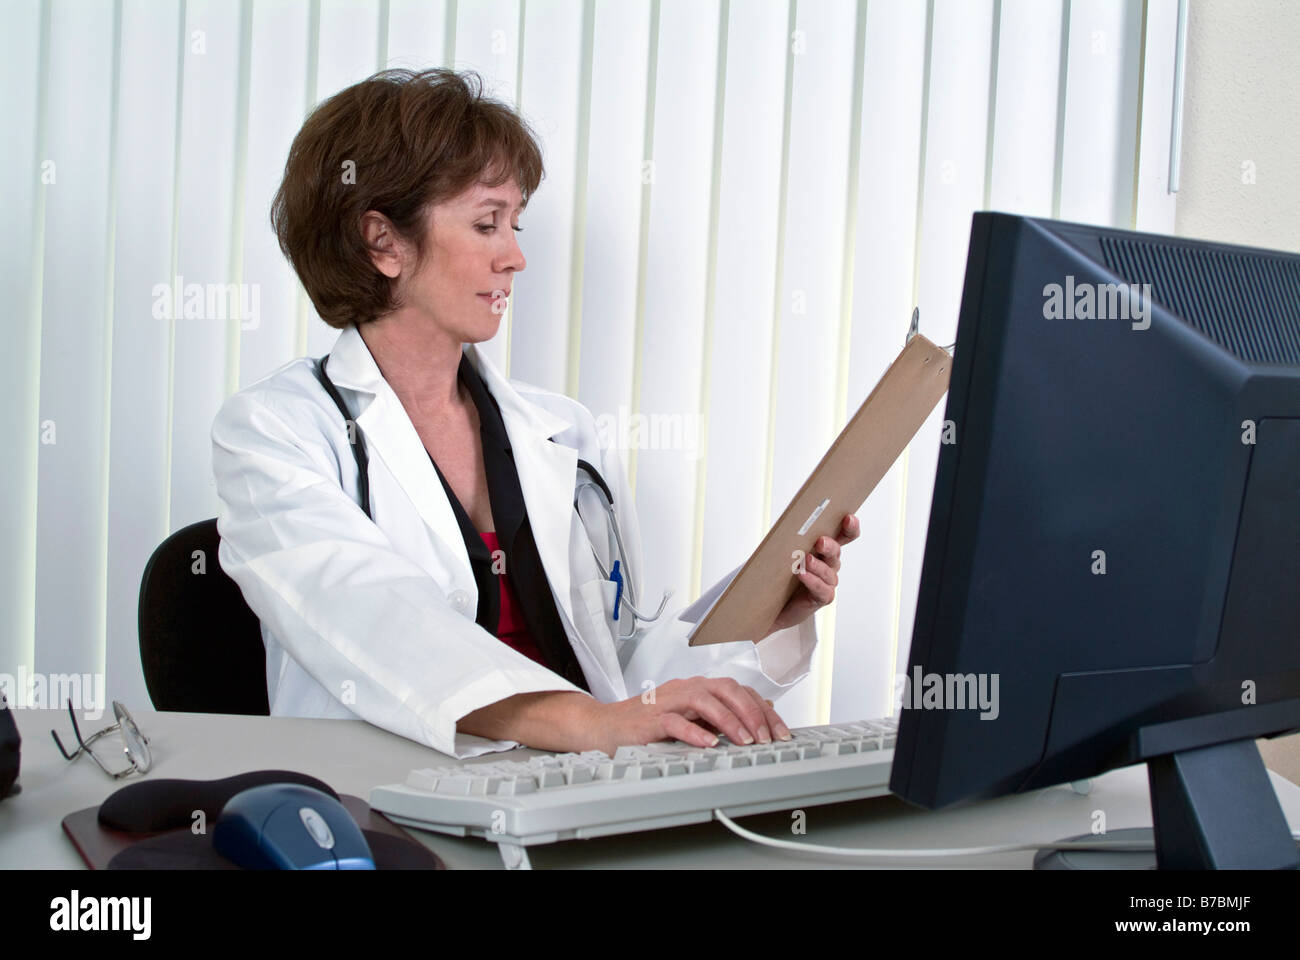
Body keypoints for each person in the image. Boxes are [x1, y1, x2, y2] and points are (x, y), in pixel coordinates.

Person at [211, 68, 859, 760]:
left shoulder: (561, 433)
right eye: (488, 223)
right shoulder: (276, 432)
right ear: (383, 244)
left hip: (568, 801)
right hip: (386, 813)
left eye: (515, 224)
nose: (516, 257)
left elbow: (623, 673)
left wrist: (762, 618)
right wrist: (590, 726)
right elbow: (374, 618)